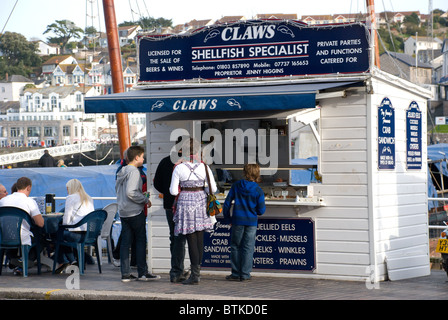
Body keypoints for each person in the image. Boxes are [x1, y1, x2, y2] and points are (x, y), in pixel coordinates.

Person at [169, 138, 217, 285]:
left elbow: (172, 191)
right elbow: (213, 189)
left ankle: (194, 276)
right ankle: (197, 272)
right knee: (200, 239)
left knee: (191, 240)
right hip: (201, 201)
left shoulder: (179, 167)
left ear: (183, 150)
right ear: (197, 151)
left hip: (185, 202)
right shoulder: (204, 167)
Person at [115, 145, 160, 282]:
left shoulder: (121, 171)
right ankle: (142, 272)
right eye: (141, 156)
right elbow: (131, 192)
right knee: (140, 241)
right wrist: (145, 200)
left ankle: (126, 273)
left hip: (123, 211)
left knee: (125, 243)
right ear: (136, 157)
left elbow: (121, 191)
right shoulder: (134, 172)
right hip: (134, 211)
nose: (143, 158)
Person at [223, 163, 266, 282]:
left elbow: (226, 204)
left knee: (235, 246)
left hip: (237, 220)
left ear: (244, 172)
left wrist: (228, 219)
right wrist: (254, 210)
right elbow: (261, 210)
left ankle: (236, 273)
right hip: (251, 222)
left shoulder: (236, 186)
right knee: (248, 247)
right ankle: (245, 274)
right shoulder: (258, 190)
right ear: (257, 174)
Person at [154, 143, 188, 283]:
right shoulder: (186, 164)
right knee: (180, 238)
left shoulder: (164, 161)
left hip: (169, 204)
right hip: (182, 204)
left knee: (174, 238)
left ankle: (176, 269)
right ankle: (176, 271)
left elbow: (157, 183)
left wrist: (167, 193)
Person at [0, 177, 44, 275]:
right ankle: (26, 261)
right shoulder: (29, 201)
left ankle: (14, 261)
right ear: (28, 187)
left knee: (9, 236)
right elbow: (40, 223)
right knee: (41, 239)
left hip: (4, 237)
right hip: (22, 237)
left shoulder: (2, 201)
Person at [54, 179, 94, 273]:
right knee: (63, 236)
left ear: (71, 188)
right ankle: (74, 262)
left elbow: (67, 218)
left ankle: (69, 261)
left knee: (57, 236)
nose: (67, 190)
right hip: (89, 234)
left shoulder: (70, 197)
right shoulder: (89, 198)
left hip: (76, 234)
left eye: (67, 188)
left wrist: (63, 226)